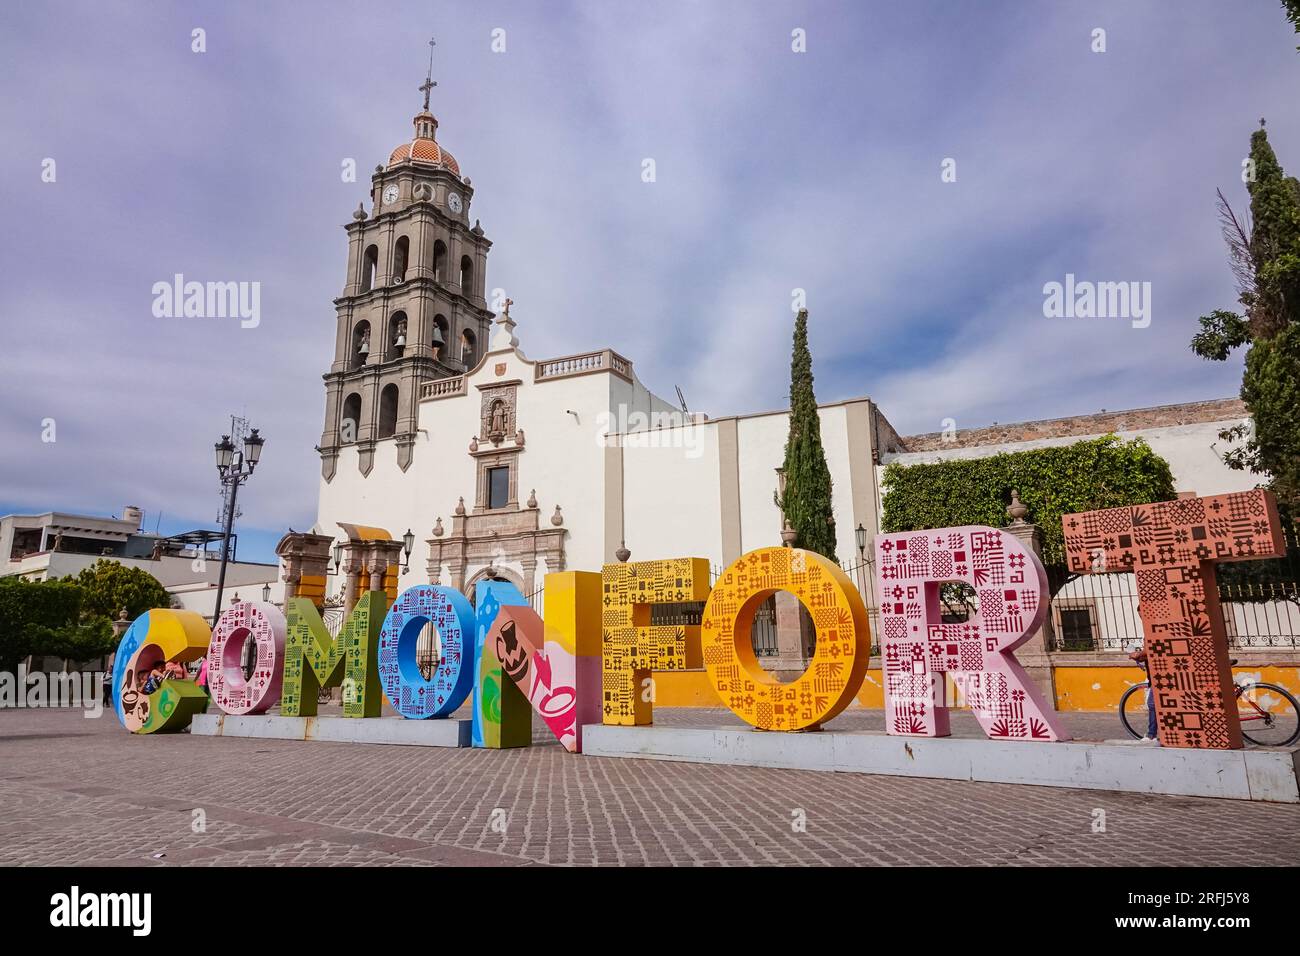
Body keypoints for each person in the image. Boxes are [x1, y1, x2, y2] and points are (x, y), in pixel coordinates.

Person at [1128, 644, 1159, 744]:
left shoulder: (1151, 635)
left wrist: (1136, 655)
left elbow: (1147, 652)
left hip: (1158, 680)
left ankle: (1151, 735)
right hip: (1155, 679)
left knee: (1152, 704)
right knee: (1154, 705)